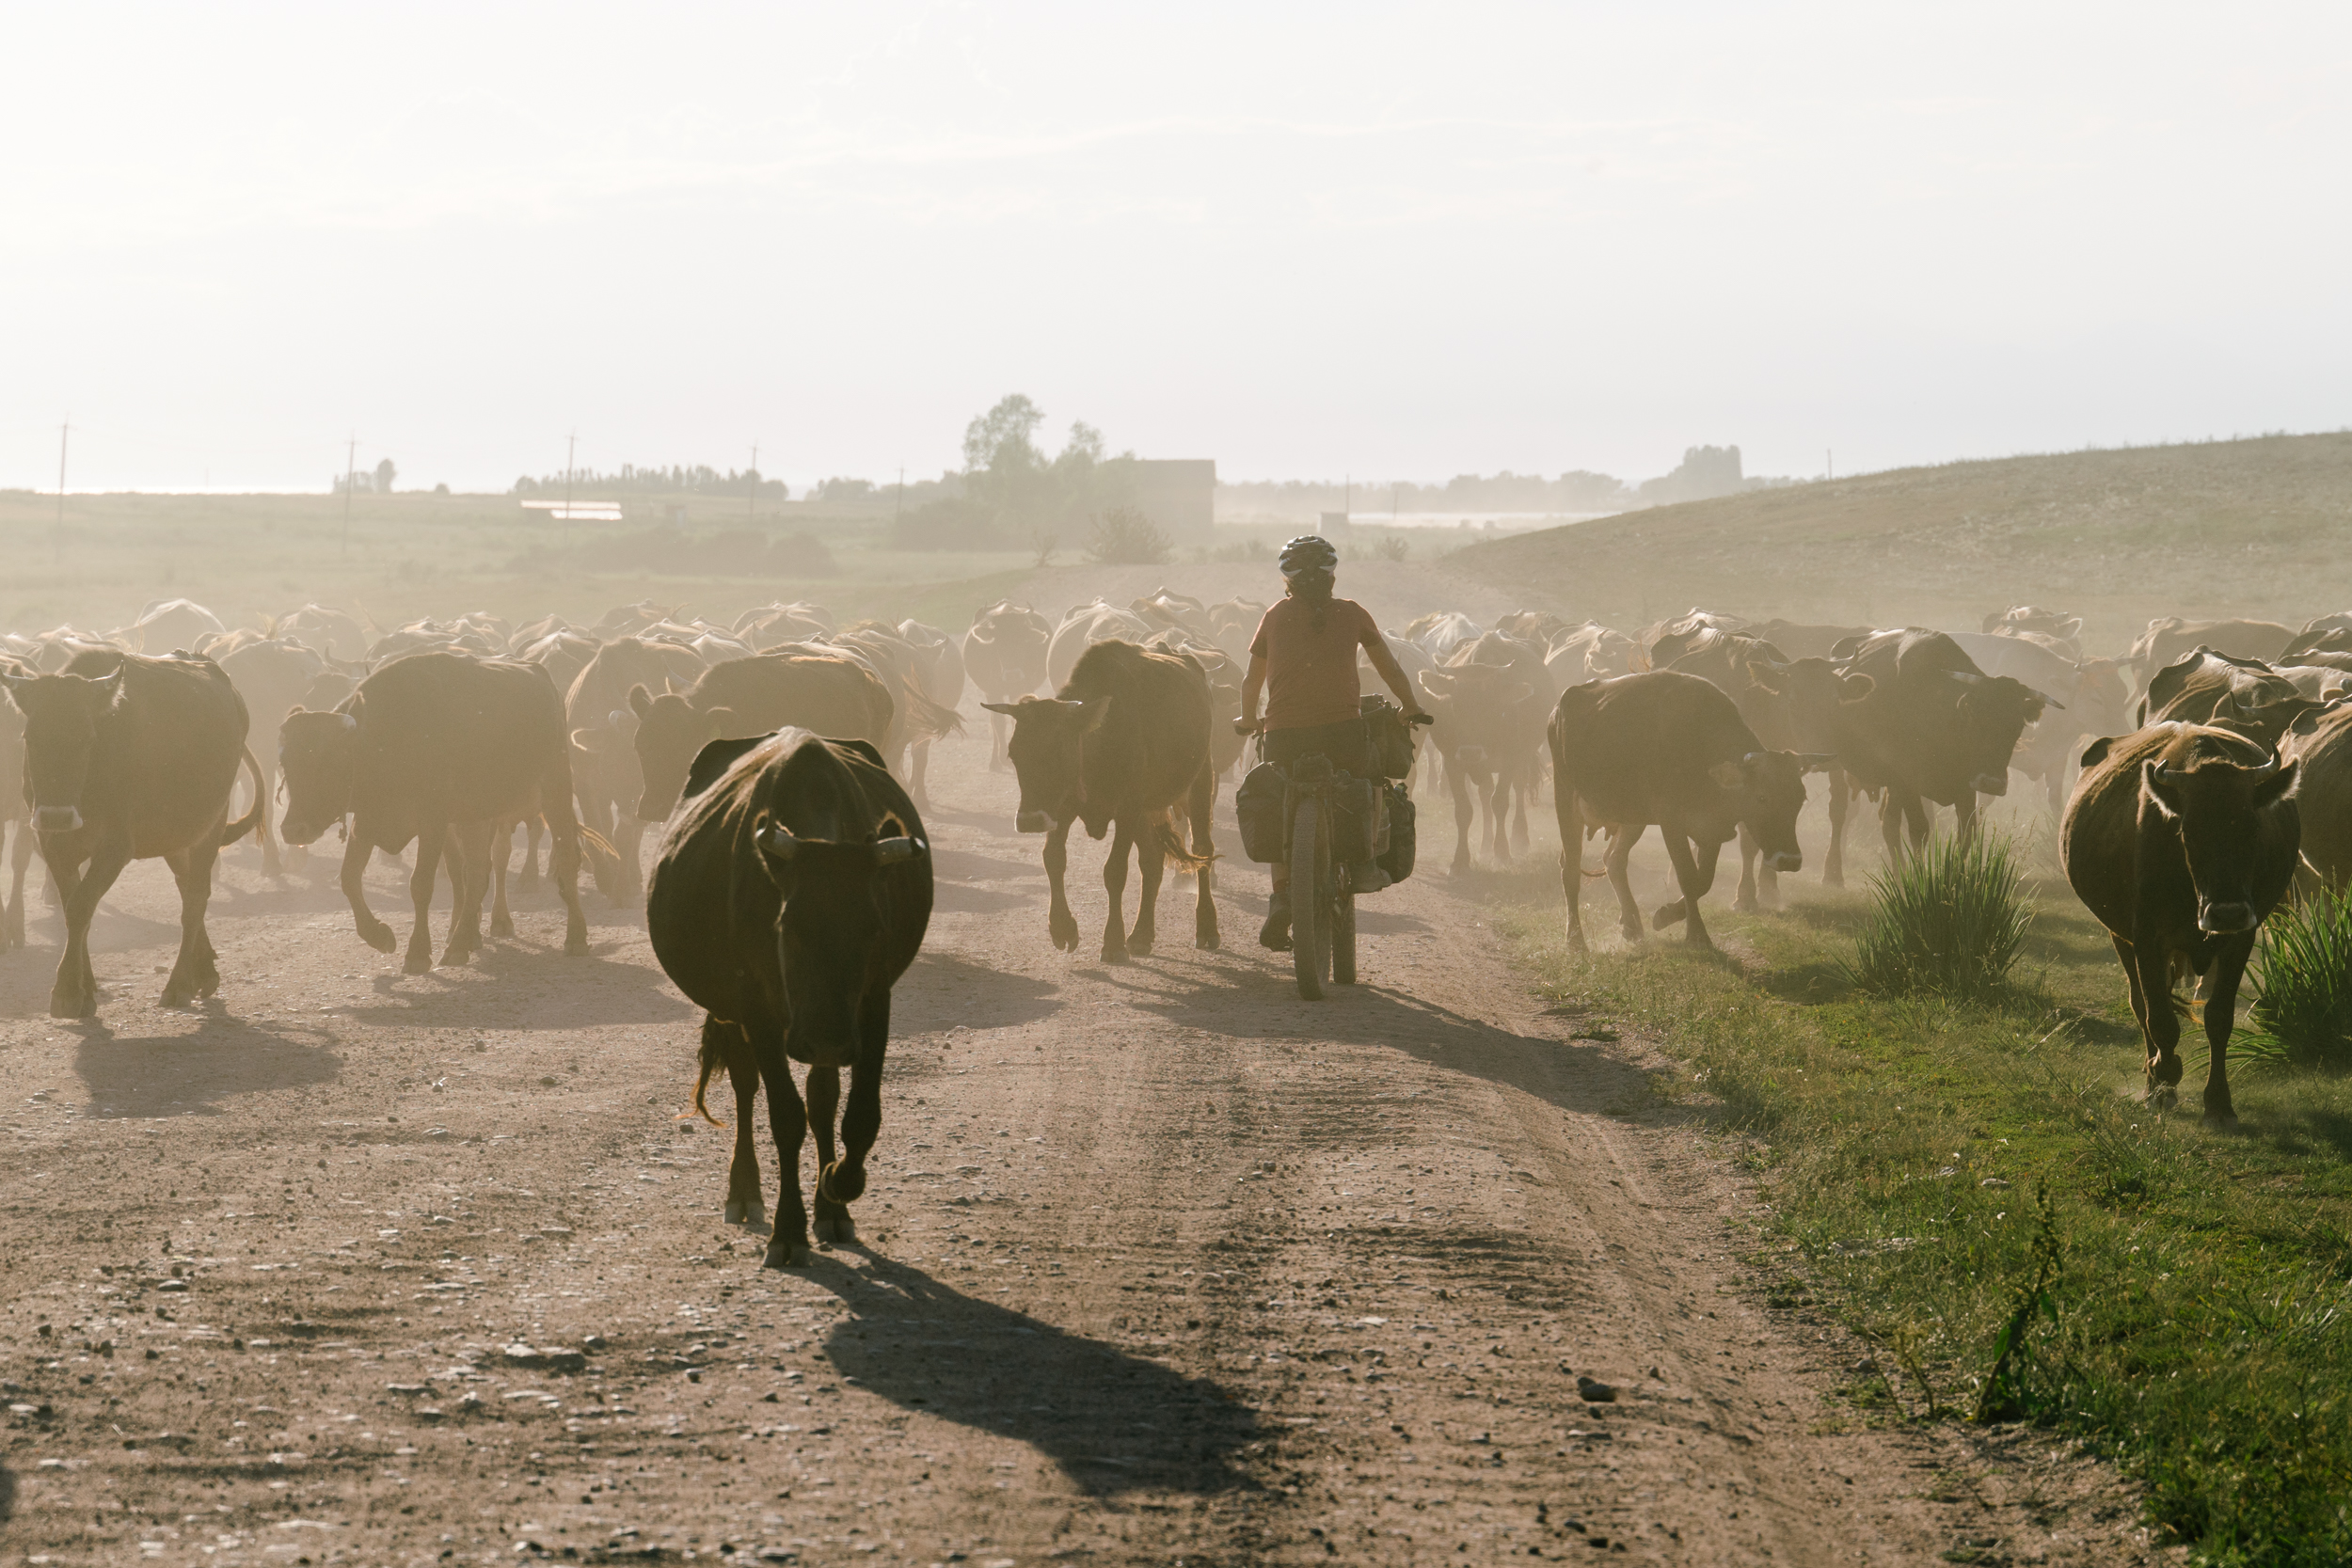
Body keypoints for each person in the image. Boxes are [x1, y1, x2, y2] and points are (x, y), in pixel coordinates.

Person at [1235, 534, 1430, 950]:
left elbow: (1252, 680)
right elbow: (1391, 669)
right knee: (1372, 776)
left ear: (1286, 579)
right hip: (1343, 731)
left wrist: (1248, 718)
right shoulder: (1353, 614)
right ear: (1332, 576)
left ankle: (1282, 894)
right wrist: (1410, 706)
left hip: (1283, 734)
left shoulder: (1273, 616)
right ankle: (1363, 864)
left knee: (1274, 797)